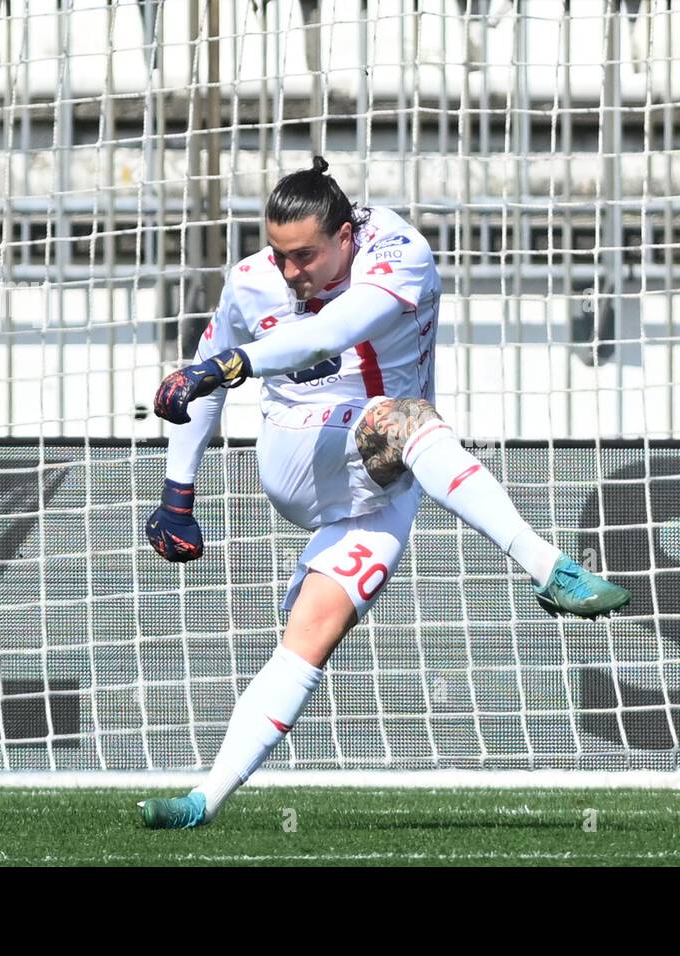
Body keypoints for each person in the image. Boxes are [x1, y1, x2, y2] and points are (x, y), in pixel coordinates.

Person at [138, 157, 630, 829]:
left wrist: (235, 361)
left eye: (305, 256)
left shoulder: (400, 253)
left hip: (385, 481)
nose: (290, 272)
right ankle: (551, 568)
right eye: (279, 255)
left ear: (346, 235)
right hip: (301, 458)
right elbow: (204, 384)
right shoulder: (250, 284)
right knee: (407, 417)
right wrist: (177, 491)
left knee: (310, 637)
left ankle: (201, 800)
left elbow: (334, 330)